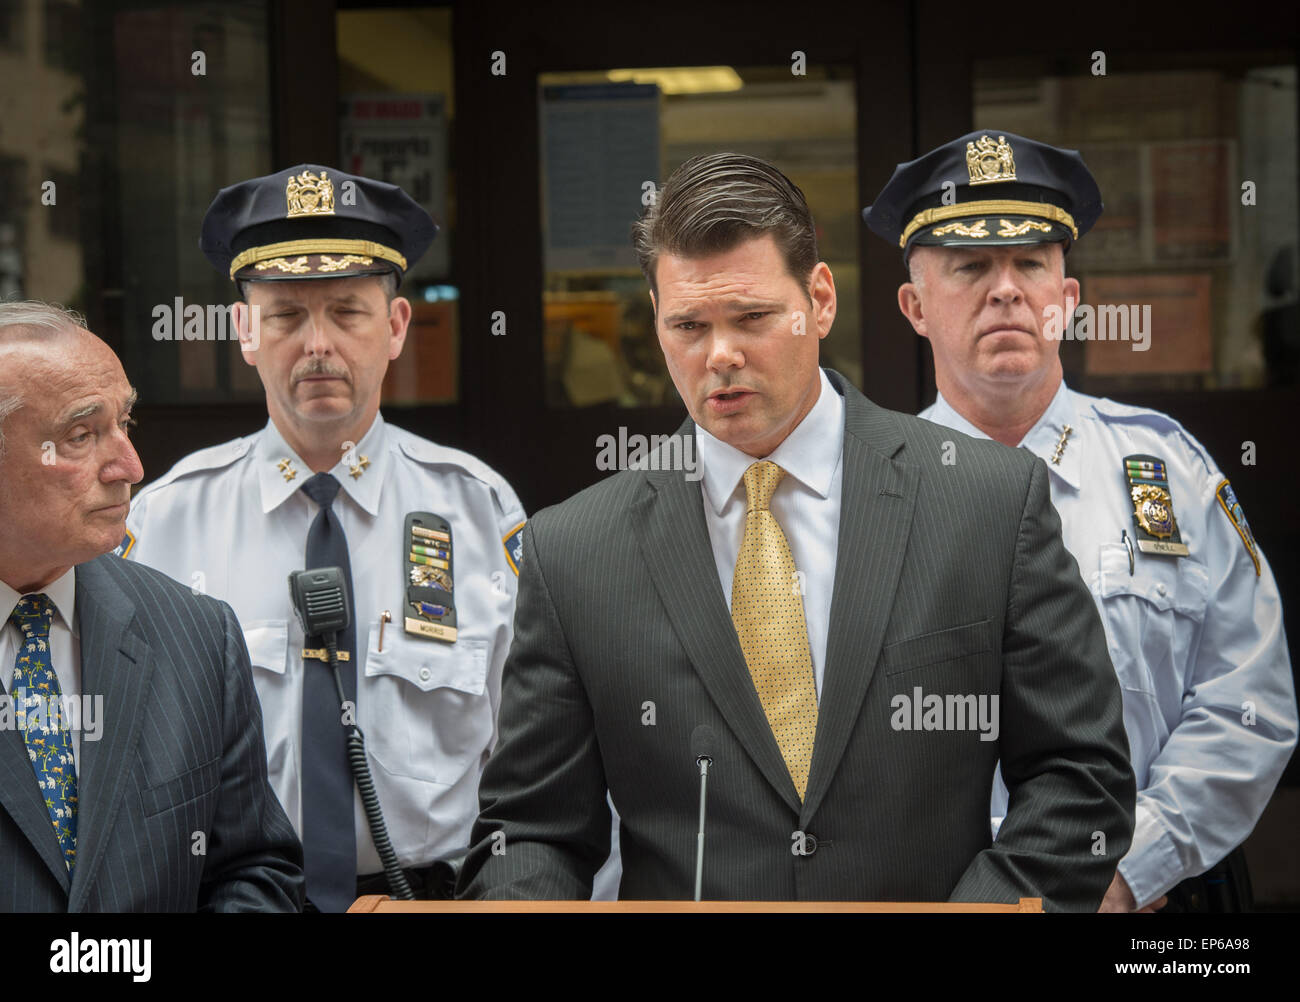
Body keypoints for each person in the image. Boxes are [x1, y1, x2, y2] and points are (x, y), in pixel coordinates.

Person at [457, 152, 1135, 910]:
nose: (720, 355)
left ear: (819, 300)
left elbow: (1080, 779)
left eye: (750, 317)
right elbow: (534, 832)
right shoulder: (576, 552)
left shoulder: (987, 502)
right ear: (656, 320)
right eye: (688, 325)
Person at [865, 130, 1298, 912]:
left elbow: (1251, 696)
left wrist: (1133, 866)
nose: (1006, 290)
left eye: (1030, 264)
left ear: (1067, 301)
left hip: (1158, 900)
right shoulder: (862, 498)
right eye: (970, 267)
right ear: (915, 306)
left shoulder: (1168, 470)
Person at [124, 165, 526, 911]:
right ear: (244, 332)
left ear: (397, 326)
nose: (319, 345)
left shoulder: (479, 511)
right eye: (284, 317)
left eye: (347, 312)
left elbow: (538, 763)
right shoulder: (164, 523)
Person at [0, 301, 303, 911]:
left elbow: (253, 869)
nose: (130, 467)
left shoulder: (196, 634)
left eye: (124, 424)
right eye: (82, 436)